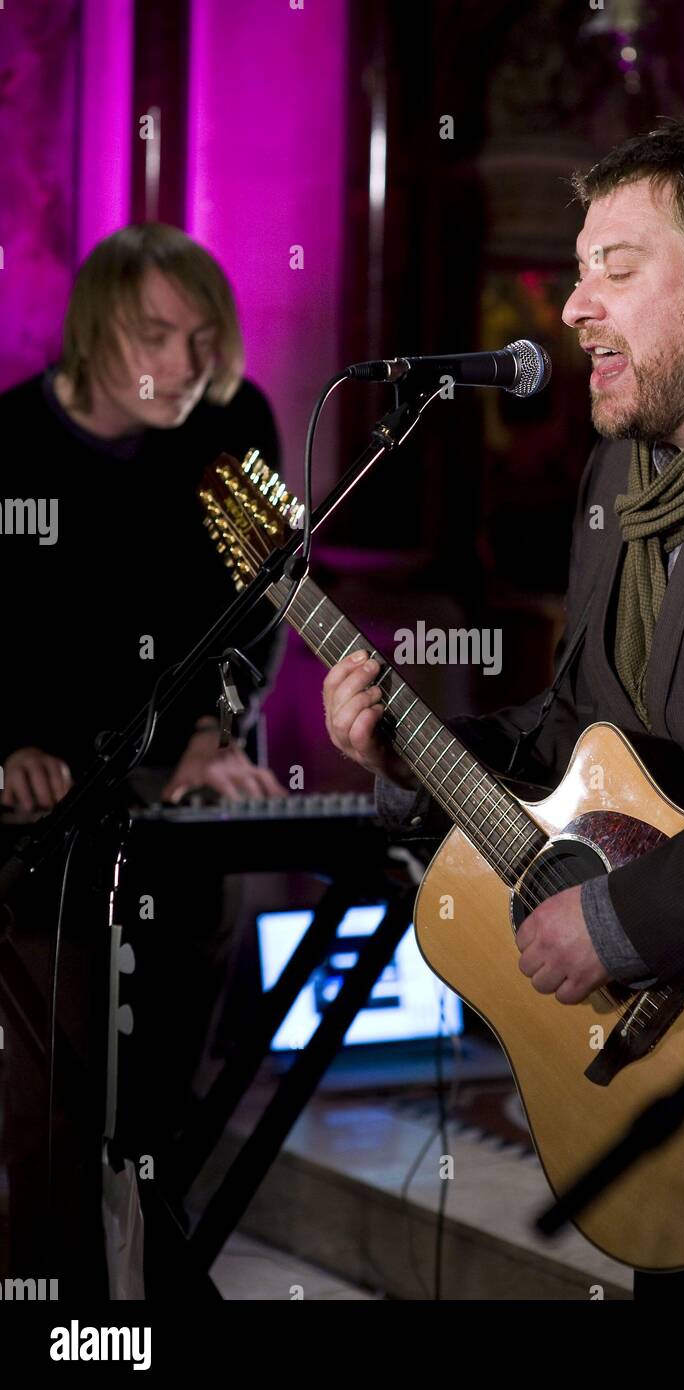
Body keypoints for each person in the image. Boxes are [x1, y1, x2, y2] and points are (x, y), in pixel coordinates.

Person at [320, 122, 684, 1300]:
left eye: (616, 272)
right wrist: (414, 747)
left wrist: (624, 923)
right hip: (674, 1085)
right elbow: (583, 737)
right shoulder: (618, 478)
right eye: (579, 270)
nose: (570, 307)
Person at [0, 222, 286, 1294]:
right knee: (56, 1110)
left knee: (169, 1110)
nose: (185, 363)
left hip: (183, 803)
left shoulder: (234, 423)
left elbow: (262, 608)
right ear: (95, 328)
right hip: (44, 820)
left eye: (204, 337)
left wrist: (216, 733)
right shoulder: (13, 443)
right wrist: (9, 752)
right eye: (156, 334)